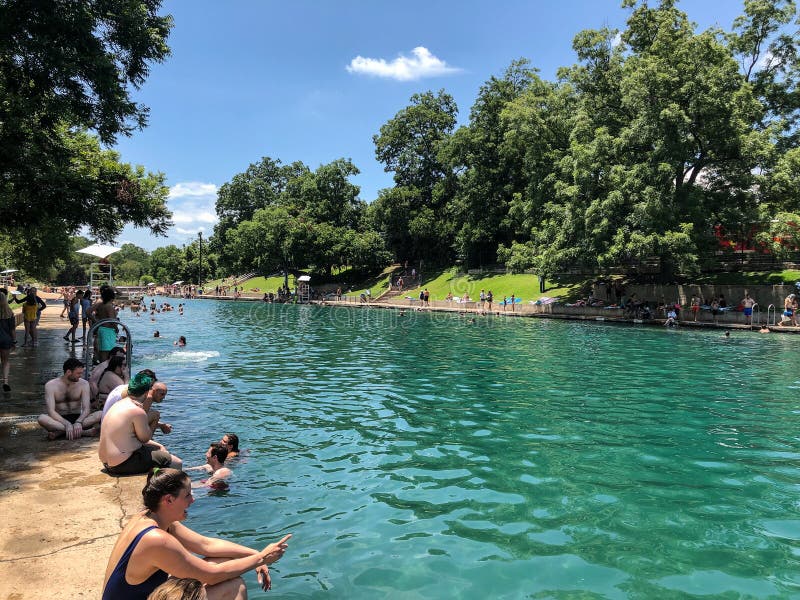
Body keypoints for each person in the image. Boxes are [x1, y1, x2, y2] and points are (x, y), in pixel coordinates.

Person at [102, 468, 291, 599]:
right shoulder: (156, 539)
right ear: (168, 500)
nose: (192, 500)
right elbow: (212, 576)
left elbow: (205, 545)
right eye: (187, 495)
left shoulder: (151, 517)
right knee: (234, 586)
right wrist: (261, 558)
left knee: (222, 561)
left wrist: (254, 554)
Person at [99, 373, 182, 475]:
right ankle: (173, 484)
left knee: (155, 452)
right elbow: (145, 439)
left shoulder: (117, 404)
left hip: (106, 463)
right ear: (146, 392)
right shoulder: (137, 411)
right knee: (177, 463)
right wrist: (154, 422)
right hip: (122, 464)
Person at [38, 357, 102, 440]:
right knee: (41, 418)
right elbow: (51, 411)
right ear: (68, 372)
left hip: (79, 419)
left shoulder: (84, 384)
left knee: (101, 413)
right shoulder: (50, 385)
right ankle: (83, 432)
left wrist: (78, 422)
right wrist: (66, 424)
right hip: (59, 421)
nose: (81, 376)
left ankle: (60, 433)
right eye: (78, 373)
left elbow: (86, 409)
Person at [90, 286, 118, 362]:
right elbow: (112, 320)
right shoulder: (109, 306)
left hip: (102, 329)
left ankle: (102, 367)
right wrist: (116, 328)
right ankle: (105, 368)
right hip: (107, 330)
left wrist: (96, 322)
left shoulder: (102, 305)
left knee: (103, 352)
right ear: (111, 297)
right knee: (107, 353)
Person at [0, 289, 16, 391]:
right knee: (5, 361)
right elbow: (12, 330)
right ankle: (5, 381)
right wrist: (14, 342)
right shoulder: (9, 313)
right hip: (5, 340)